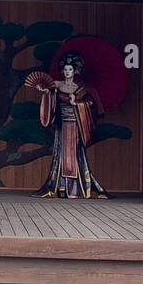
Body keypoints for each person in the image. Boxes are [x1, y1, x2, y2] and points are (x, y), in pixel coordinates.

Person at [24, 52, 108, 198]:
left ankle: (79, 187)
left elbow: (91, 104)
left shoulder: (81, 87)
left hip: (76, 124)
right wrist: (44, 91)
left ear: (75, 71)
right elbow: (49, 93)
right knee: (61, 153)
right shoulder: (57, 84)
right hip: (62, 124)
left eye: (70, 69)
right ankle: (60, 186)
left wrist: (77, 103)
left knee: (76, 154)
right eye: (66, 69)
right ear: (62, 71)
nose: (68, 72)